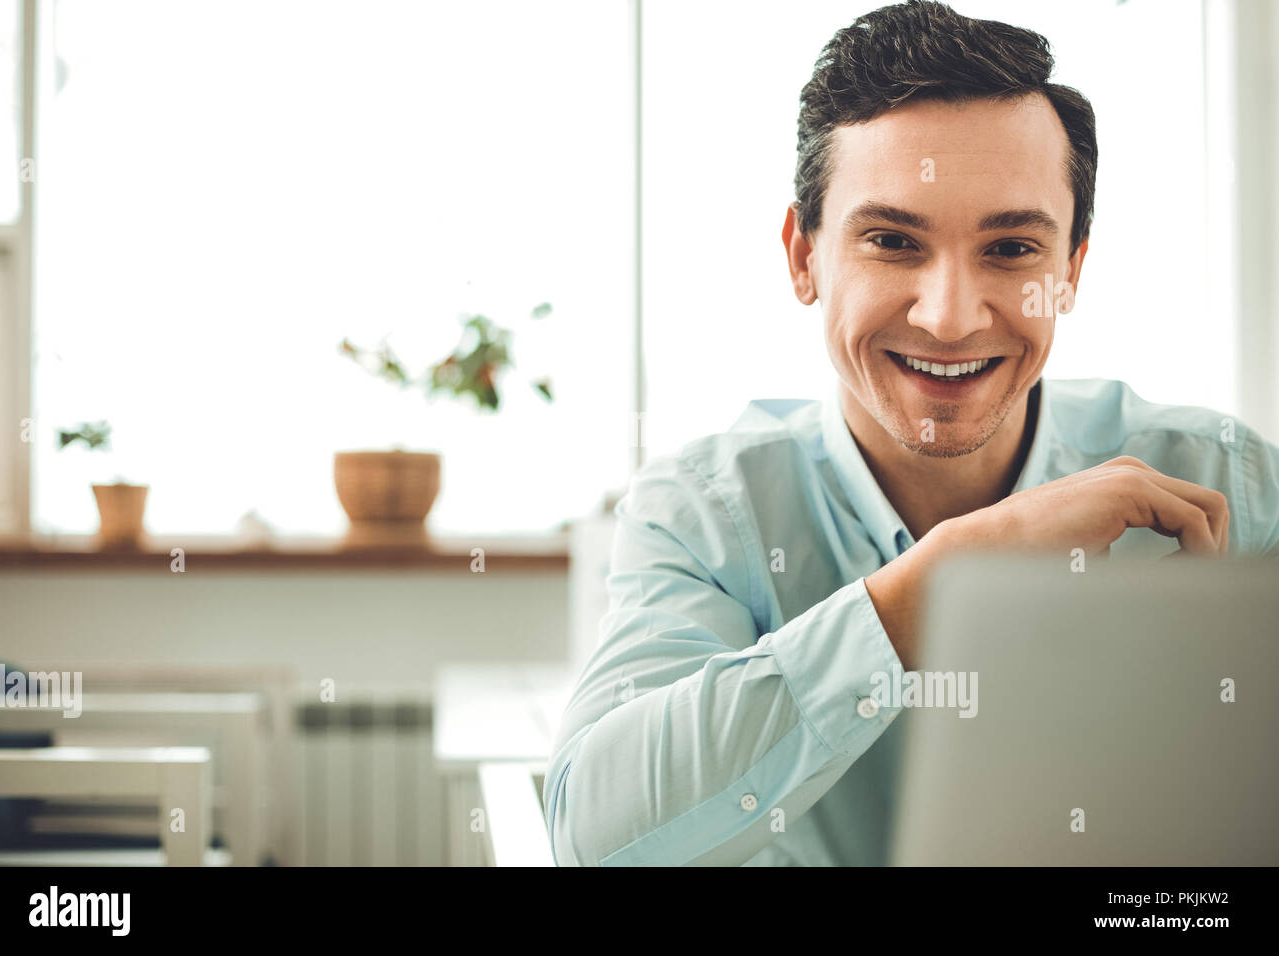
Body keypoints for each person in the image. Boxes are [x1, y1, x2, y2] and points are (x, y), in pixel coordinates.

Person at [543, 0, 1279, 866]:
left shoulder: (1228, 483)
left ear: (1071, 271)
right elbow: (597, 838)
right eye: (892, 241)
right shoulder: (705, 514)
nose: (950, 318)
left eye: (1011, 251)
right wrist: (939, 583)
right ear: (803, 257)